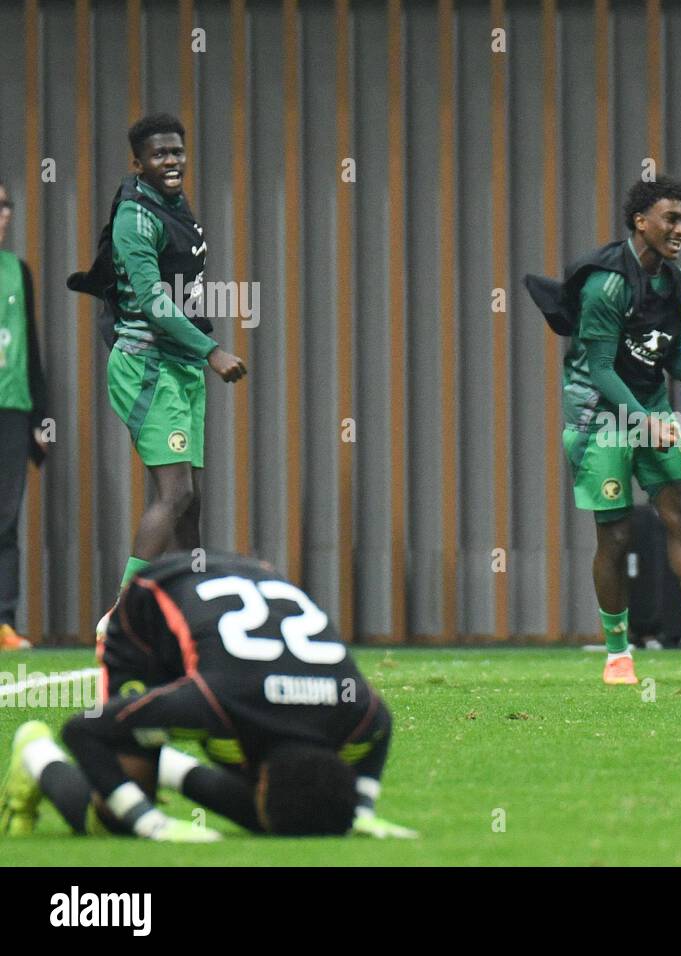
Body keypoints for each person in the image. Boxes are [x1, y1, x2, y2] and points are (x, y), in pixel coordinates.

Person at [0, 551, 414, 840]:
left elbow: (383, 724)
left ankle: (165, 763)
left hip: (254, 577)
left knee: (292, 812)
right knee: (115, 818)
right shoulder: (214, 702)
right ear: (261, 780)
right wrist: (149, 823)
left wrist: (359, 814)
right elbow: (83, 730)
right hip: (151, 606)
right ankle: (35, 755)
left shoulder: (360, 714)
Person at [532, 177, 681, 684]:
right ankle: (617, 655)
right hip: (598, 414)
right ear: (640, 222)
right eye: (670, 219)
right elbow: (603, 369)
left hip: (646, 405)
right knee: (617, 534)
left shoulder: (671, 281)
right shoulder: (606, 282)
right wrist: (644, 419)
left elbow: (668, 353)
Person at [67, 114, 247, 639]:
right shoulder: (135, 216)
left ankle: (193, 614)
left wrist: (198, 354)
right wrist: (212, 350)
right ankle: (124, 613)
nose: (172, 162)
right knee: (173, 494)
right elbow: (151, 301)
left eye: (178, 152)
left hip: (180, 365)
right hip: (147, 365)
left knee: (190, 502)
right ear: (138, 162)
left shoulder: (175, 206)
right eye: (160, 154)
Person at [0, 180, 48, 651]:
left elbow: (30, 347)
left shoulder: (19, 271)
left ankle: (3, 622)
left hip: (12, 410)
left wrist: (42, 416)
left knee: (6, 519)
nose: (4, 214)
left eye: (6, 204)